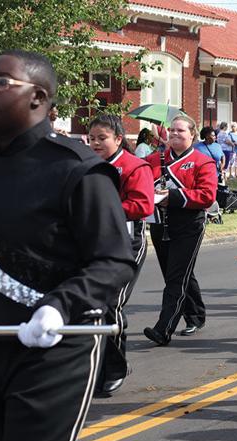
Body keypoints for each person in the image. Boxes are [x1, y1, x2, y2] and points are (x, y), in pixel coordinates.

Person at [0, 49, 135, 441]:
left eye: (2, 82)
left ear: (39, 97)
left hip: (55, 347)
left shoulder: (77, 169)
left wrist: (59, 305)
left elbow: (114, 259)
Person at [87, 114, 155, 396]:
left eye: (101, 138)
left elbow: (143, 205)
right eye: (91, 139)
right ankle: (96, 366)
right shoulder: (87, 165)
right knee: (91, 306)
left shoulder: (134, 166)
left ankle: (115, 367)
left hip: (127, 243)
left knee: (112, 304)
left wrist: (105, 206)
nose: (96, 144)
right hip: (93, 243)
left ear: (118, 138)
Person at [143, 115, 217, 345]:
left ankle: (163, 328)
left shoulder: (202, 161)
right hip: (159, 222)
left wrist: (172, 196)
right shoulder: (154, 159)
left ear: (192, 134)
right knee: (177, 272)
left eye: (180, 131)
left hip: (188, 224)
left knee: (176, 276)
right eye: (172, 130)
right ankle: (195, 314)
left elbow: (207, 196)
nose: (175, 134)